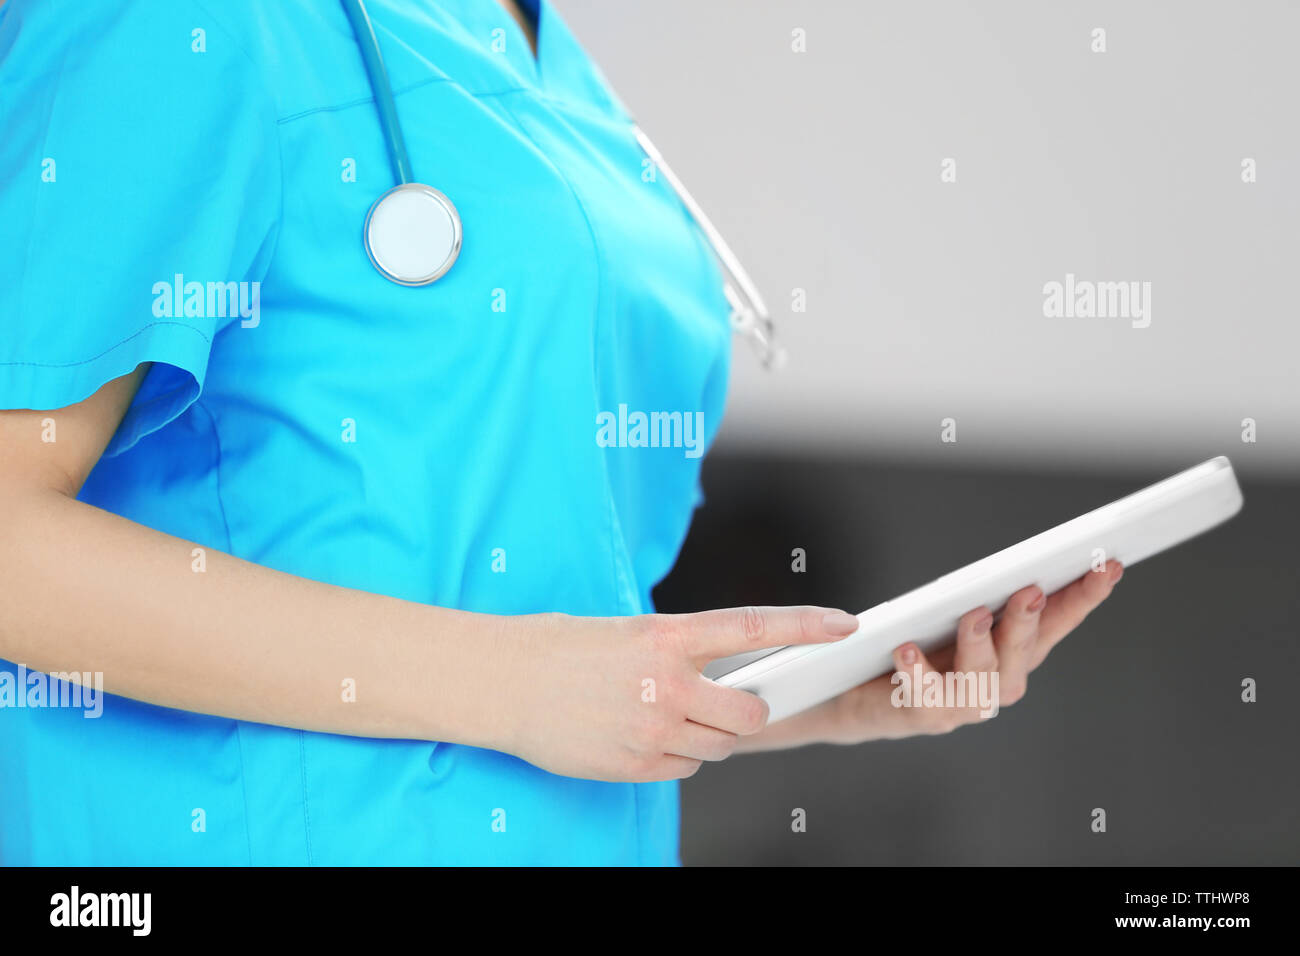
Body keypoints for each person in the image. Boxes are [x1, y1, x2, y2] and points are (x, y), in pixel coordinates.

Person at [0, 0, 1119, 865]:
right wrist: (507, 682)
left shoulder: (530, 48)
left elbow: (532, 622)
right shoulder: (177, 25)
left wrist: (803, 694)